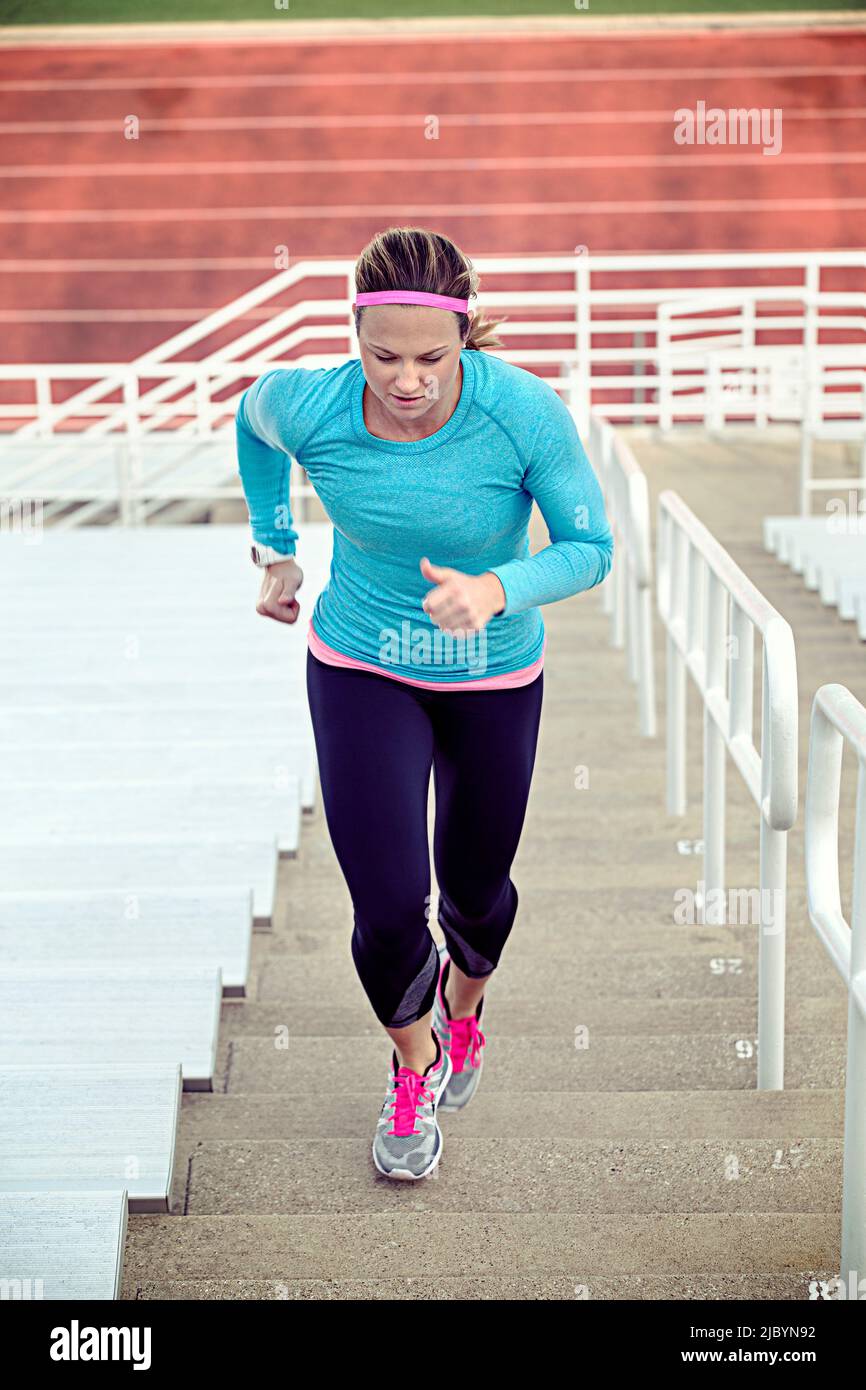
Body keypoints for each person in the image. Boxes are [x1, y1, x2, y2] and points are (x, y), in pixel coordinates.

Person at [236, 226, 613, 1182]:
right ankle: (414, 1062)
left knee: (475, 893)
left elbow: (591, 547)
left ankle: (467, 1004)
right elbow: (250, 421)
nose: (407, 380)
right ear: (355, 336)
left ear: (465, 339)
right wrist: (276, 547)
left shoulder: (522, 413)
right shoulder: (312, 402)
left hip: (491, 674)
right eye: (384, 356)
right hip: (363, 664)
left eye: (433, 359)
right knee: (392, 901)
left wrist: (498, 589)